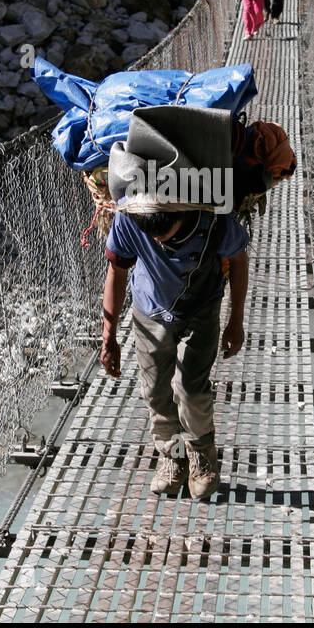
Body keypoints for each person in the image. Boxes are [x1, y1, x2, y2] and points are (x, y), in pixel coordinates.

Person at [99, 208, 249, 499]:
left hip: (201, 307)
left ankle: (202, 456)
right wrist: (109, 336)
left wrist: (236, 321)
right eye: (151, 236)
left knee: (190, 389)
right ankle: (173, 456)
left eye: (163, 236)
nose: (156, 240)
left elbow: (239, 262)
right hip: (149, 311)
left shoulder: (214, 219)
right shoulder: (129, 216)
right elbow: (116, 271)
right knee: (156, 392)